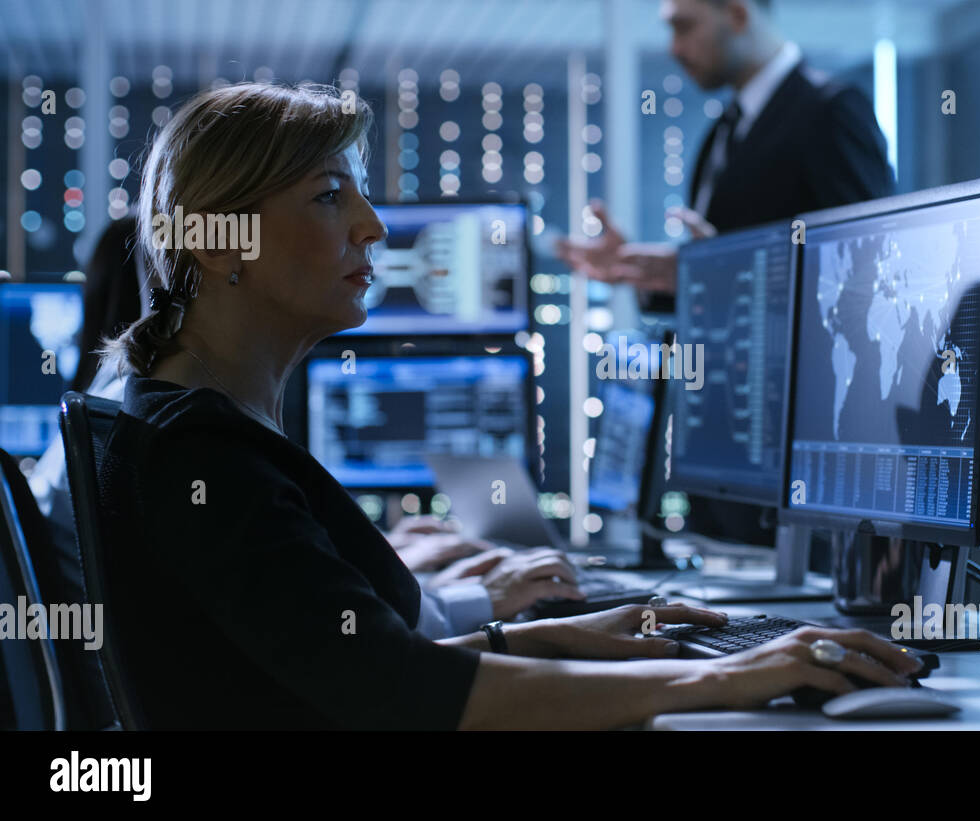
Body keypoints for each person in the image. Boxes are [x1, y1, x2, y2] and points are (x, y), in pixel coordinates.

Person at [90, 81, 921, 730]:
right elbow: (403, 696)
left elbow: (345, 655)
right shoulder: (205, 462)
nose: (374, 225)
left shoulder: (187, 426)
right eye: (329, 195)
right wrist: (723, 675)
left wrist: (552, 633)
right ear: (216, 239)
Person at [25, 218, 573, 647]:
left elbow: (283, 595)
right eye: (327, 197)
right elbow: (371, 666)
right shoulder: (192, 437)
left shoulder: (126, 402)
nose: (375, 227)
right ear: (219, 257)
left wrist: (353, 555)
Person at [555, 0, 894, 311]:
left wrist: (725, 270)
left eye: (684, 27)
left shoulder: (831, 111)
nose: (673, 48)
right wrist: (641, 270)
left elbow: (867, 268)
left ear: (737, 14)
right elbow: (718, 290)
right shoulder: (725, 128)